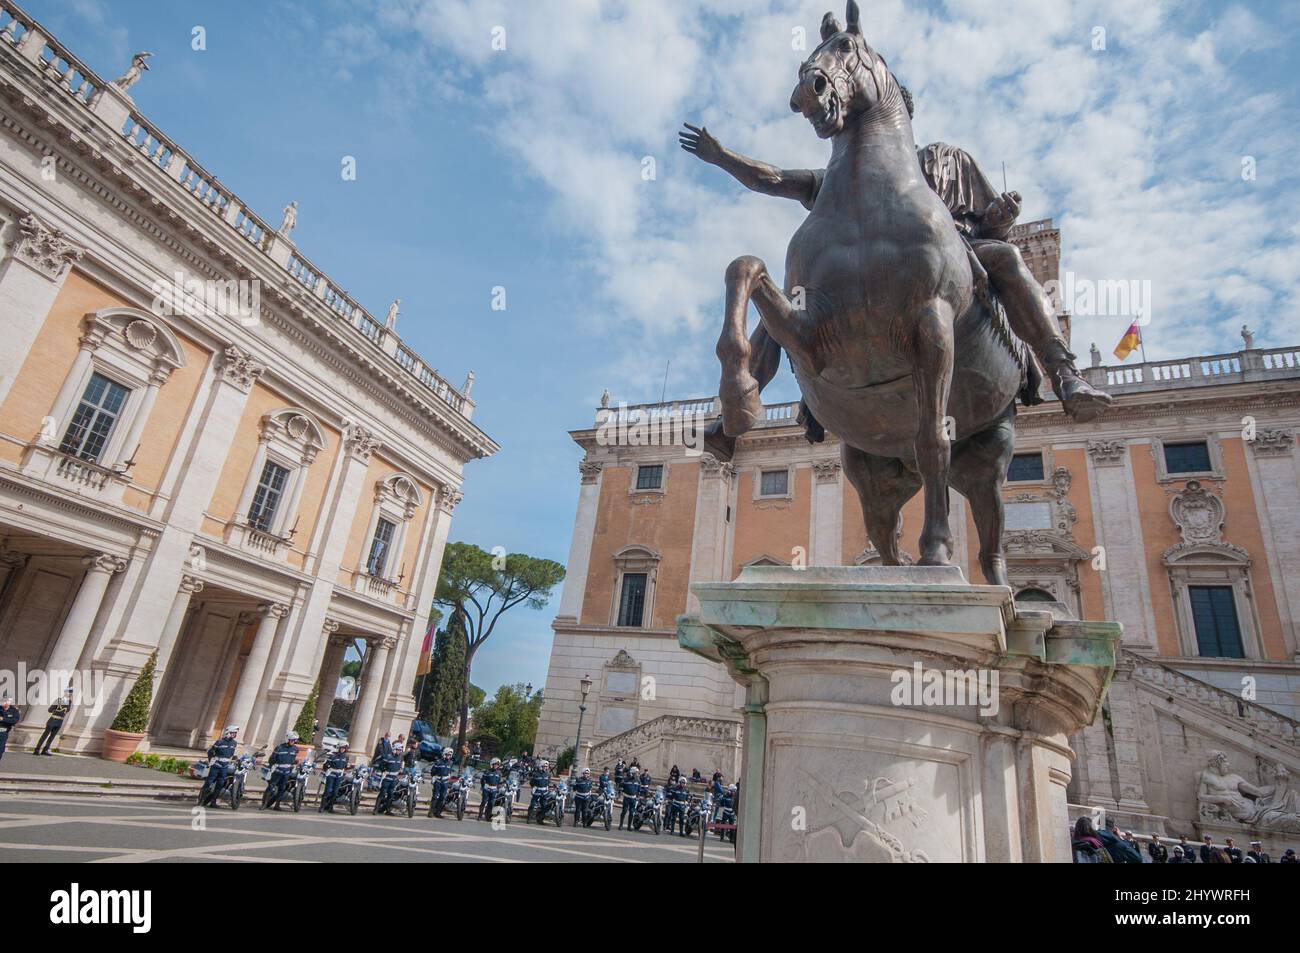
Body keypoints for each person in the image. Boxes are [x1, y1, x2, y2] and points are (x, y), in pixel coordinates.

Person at [678, 102, 1114, 432]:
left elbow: (990, 226)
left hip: (953, 255)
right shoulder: (843, 177)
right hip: (872, 271)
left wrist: (999, 216)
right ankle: (739, 406)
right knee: (795, 299)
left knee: (1008, 258)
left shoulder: (948, 160)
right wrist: (722, 157)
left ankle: (1064, 373)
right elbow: (772, 178)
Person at [201, 725, 239, 806]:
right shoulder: (219, 742)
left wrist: (236, 759)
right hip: (216, 765)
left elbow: (232, 754)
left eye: (235, 733)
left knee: (220, 784)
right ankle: (201, 800)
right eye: (233, 733)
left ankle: (213, 802)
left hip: (225, 767)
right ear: (228, 733)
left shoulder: (234, 743)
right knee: (209, 782)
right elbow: (210, 752)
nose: (234, 735)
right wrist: (211, 761)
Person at [262, 731, 300, 810]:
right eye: (292, 740)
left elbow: (293, 760)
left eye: (294, 740)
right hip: (277, 771)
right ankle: (264, 804)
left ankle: (277, 805)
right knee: (271, 786)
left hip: (286, 772)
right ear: (288, 739)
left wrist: (294, 764)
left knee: (282, 788)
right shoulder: (279, 747)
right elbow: (272, 759)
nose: (293, 742)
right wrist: (273, 766)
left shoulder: (295, 749)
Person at [33, 689, 73, 756]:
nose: (70, 694)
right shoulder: (59, 700)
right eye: (69, 692)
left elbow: (67, 710)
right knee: (45, 735)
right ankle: (37, 749)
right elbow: (50, 710)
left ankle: (45, 750)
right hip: (53, 720)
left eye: (71, 693)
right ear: (65, 693)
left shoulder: (69, 702)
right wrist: (57, 711)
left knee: (52, 736)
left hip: (60, 721)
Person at [320, 742, 350, 812]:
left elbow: (345, 766)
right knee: (327, 791)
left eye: (344, 748)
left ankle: (330, 807)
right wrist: (326, 768)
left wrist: (349, 768)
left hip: (339, 776)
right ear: (338, 748)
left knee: (335, 792)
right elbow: (326, 765)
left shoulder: (346, 757)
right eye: (341, 748)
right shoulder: (332, 756)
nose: (343, 750)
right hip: (331, 775)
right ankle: (322, 807)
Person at [429, 746, 455, 816]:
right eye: (447, 754)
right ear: (444, 754)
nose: (448, 756)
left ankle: (438, 813)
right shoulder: (438, 762)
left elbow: (449, 772)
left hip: (445, 782)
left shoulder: (450, 763)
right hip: (438, 781)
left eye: (450, 755)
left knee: (443, 797)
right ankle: (431, 812)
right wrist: (434, 777)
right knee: (435, 796)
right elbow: (432, 772)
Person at [478, 757, 503, 821]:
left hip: (494, 790)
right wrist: (482, 787)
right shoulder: (487, 771)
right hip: (486, 789)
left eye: (497, 765)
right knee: (484, 802)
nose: (496, 766)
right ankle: (480, 816)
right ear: (492, 764)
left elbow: (500, 782)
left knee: (491, 803)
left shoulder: (499, 773)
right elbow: (482, 780)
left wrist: (499, 787)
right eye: (495, 764)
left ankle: (488, 817)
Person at [0, 695, 22, 765]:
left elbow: (14, 720)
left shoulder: (14, 711)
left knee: (1, 749)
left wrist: (3, 719)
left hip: (3, 732)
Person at [619, 766, 641, 830]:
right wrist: (621, 792)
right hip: (626, 797)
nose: (637, 774)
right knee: (624, 811)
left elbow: (639, 790)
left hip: (633, 799)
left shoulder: (638, 781)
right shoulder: (626, 780)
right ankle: (621, 825)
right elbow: (621, 787)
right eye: (636, 773)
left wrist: (638, 796)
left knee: (632, 812)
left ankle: (629, 826)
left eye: (637, 773)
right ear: (632, 773)